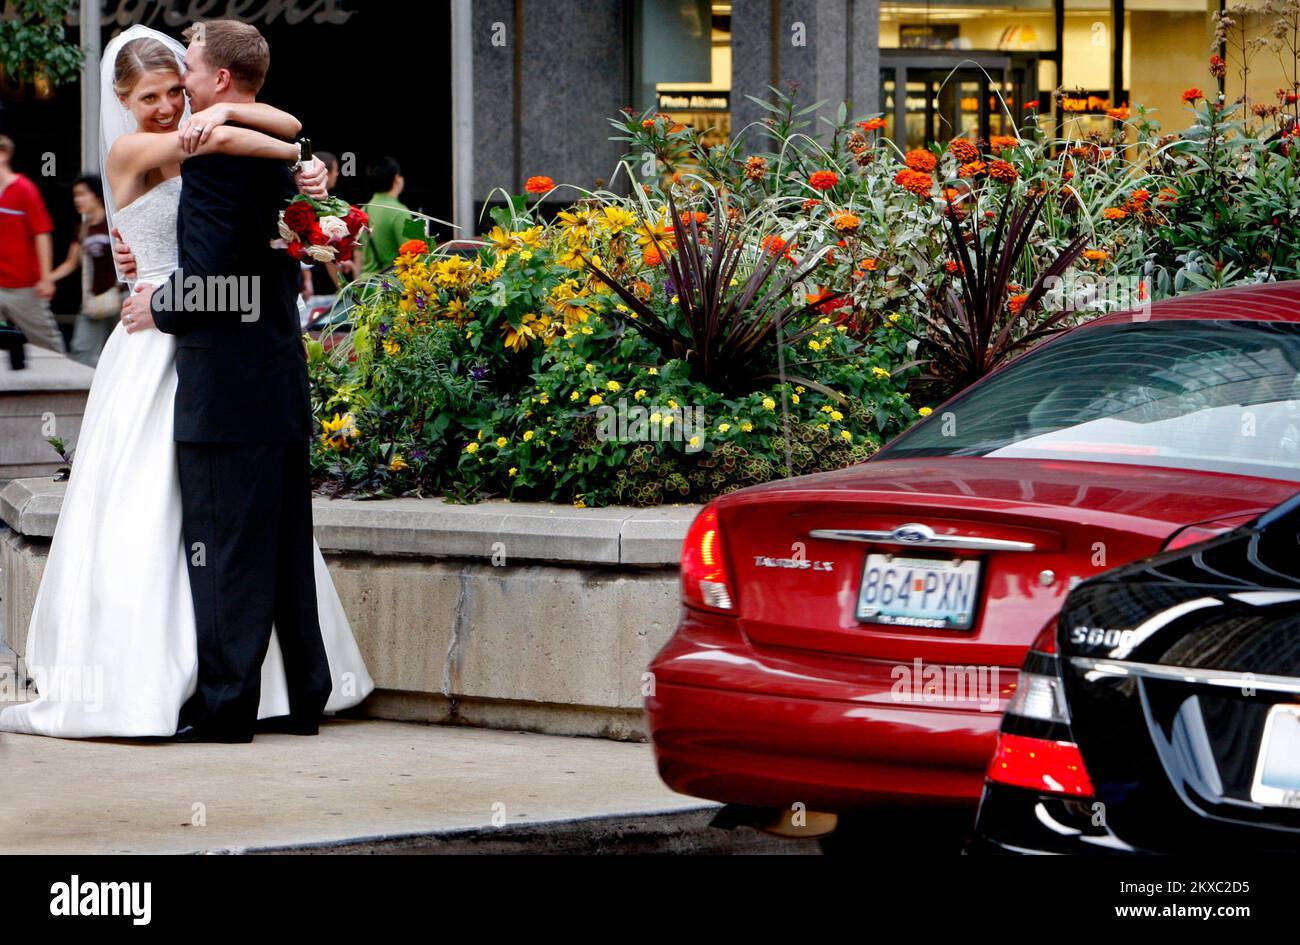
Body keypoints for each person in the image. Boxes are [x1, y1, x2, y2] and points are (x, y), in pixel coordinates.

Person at [0, 23, 374, 741]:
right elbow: (251, 138)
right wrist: (293, 154)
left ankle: (246, 686)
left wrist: (284, 146)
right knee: (163, 511)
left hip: (209, 338)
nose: (169, 107)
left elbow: (278, 126)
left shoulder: (217, 126)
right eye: (149, 97)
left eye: (177, 90)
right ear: (121, 100)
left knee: (227, 520)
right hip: (155, 341)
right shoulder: (131, 149)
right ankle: (166, 678)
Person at [0, 135, 66, 356]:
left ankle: (68, 383)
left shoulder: (24, 189)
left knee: (45, 341)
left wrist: (46, 277)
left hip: (23, 284)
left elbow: (42, 234)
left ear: (3, 155)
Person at [46, 175, 120, 367]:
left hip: (121, 297)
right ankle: (79, 393)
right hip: (94, 299)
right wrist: (46, 279)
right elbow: (71, 263)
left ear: (95, 195)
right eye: (75, 196)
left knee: (121, 350)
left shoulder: (115, 221)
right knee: (81, 351)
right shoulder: (83, 228)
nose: (77, 200)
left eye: (81, 194)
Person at [359, 155, 413, 277]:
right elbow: (412, 255)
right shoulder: (401, 212)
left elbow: (358, 255)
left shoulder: (363, 211)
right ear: (397, 179)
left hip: (366, 286)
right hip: (389, 288)